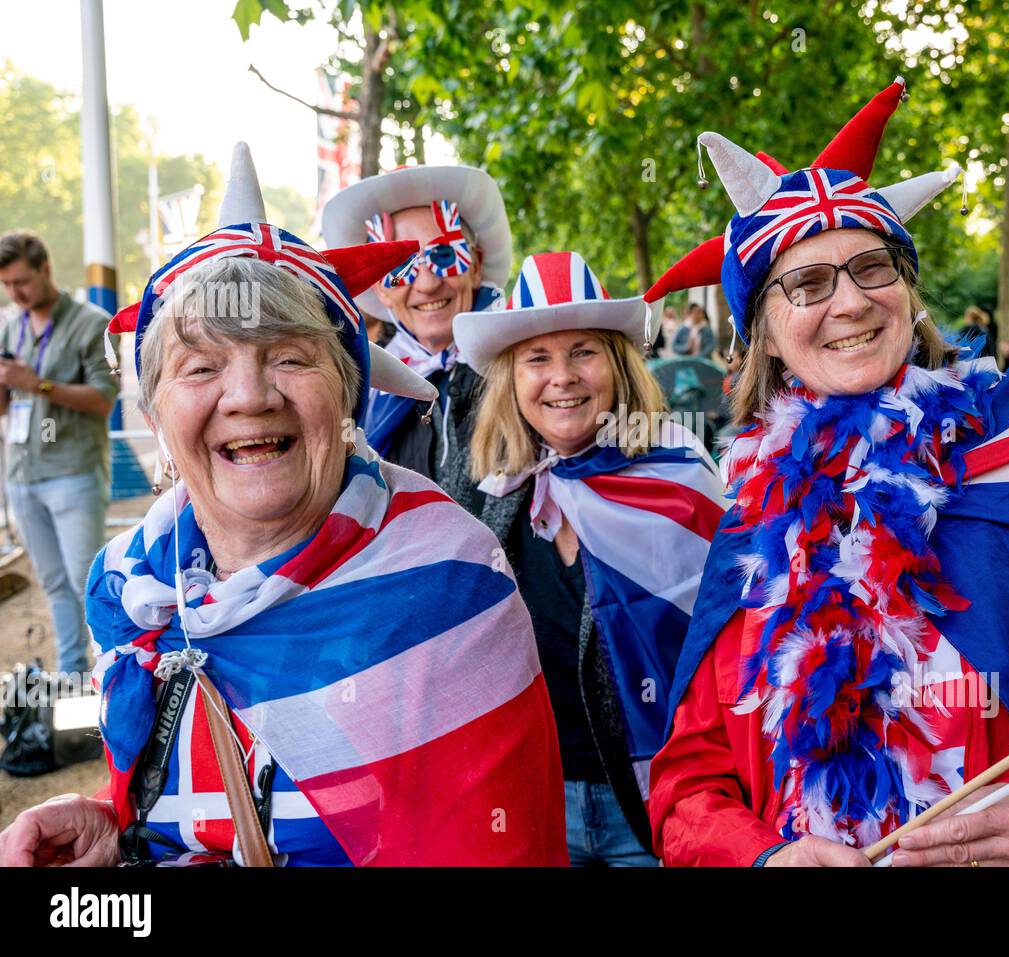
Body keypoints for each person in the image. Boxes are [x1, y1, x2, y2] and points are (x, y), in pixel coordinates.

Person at [646, 78, 1009, 868]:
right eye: (806, 282)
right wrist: (768, 858)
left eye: (873, 267)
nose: (849, 302)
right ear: (763, 335)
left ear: (908, 291)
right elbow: (687, 785)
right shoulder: (752, 517)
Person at [0, 145, 567, 868]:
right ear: (159, 412)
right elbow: (199, 810)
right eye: (201, 366)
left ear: (348, 392)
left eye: (291, 357)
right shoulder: (130, 585)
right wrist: (117, 832)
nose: (249, 395)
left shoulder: (451, 587)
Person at [455, 251, 728, 865]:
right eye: (537, 358)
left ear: (618, 364)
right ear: (510, 379)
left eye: (583, 351)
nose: (562, 376)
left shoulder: (681, 477)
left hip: (662, 803)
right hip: (535, 801)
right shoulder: (493, 493)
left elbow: (732, 644)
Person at [321, 164, 513, 512]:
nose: (426, 285)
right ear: (381, 288)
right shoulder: (358, 393)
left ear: (477, 265)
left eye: (443, 257)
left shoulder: (524, 370)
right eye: (403, 267)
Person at [0, 230, 117, 678]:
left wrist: (40, 384)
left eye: (22, 282)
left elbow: (104, 399)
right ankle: (71, 676)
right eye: (7, 285)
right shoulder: (11, 325)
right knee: (52, 583)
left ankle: (111, 673)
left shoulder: (92, 323)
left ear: (46, 268)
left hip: (73, 471)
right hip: (22, 474)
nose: (15, 293)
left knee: (87, 582)